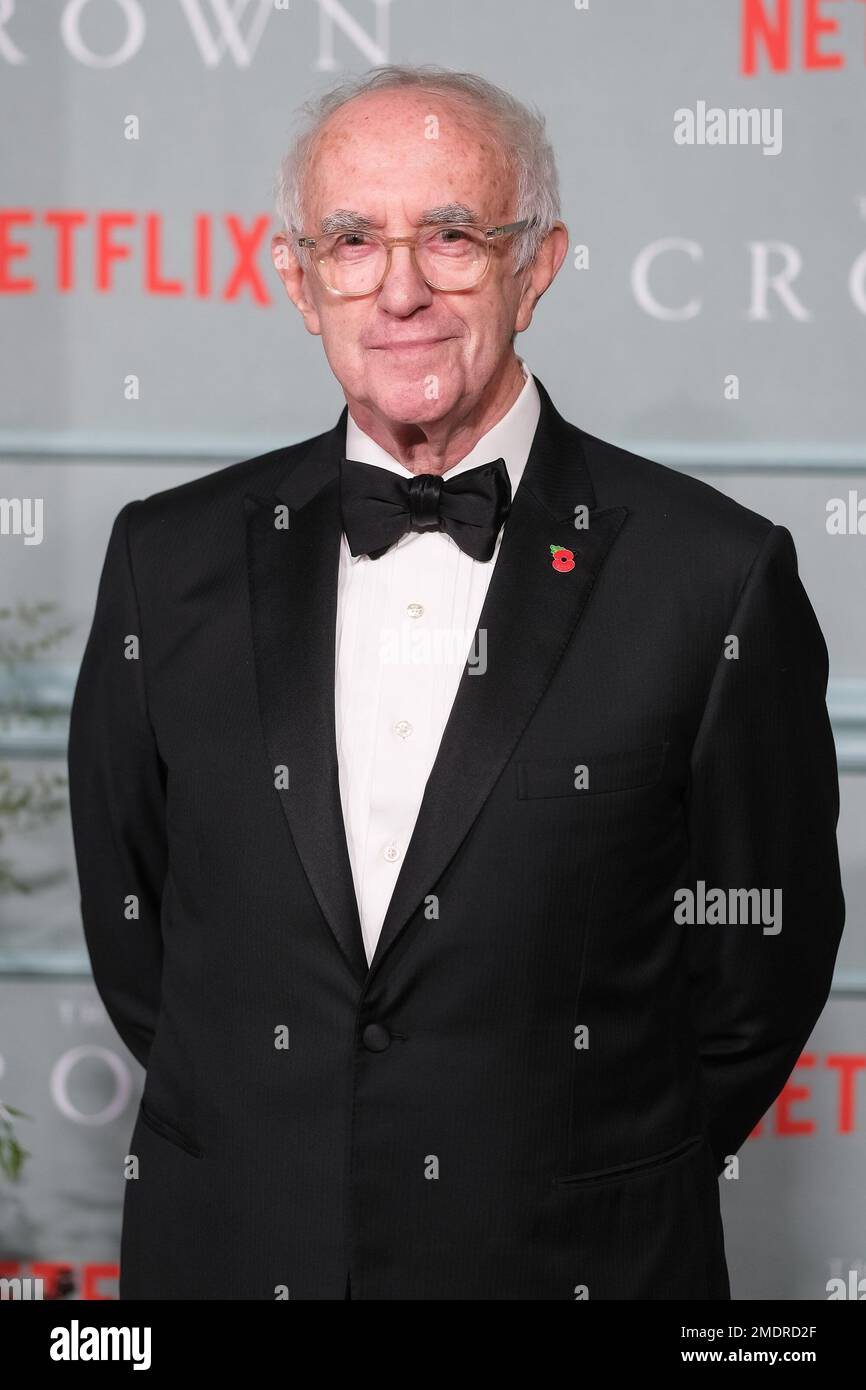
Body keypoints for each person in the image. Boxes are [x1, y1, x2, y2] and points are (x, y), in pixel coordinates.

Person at [67, 64, 845, 1301]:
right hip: (234, 1253)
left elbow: (758, 961)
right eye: (350, 240)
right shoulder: (165, 561)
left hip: (573, 1264)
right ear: (295, 278)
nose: (400, 287)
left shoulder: (712, 576)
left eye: (452, 235)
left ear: (536, 265)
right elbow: (142, 932)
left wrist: (566, 1162)